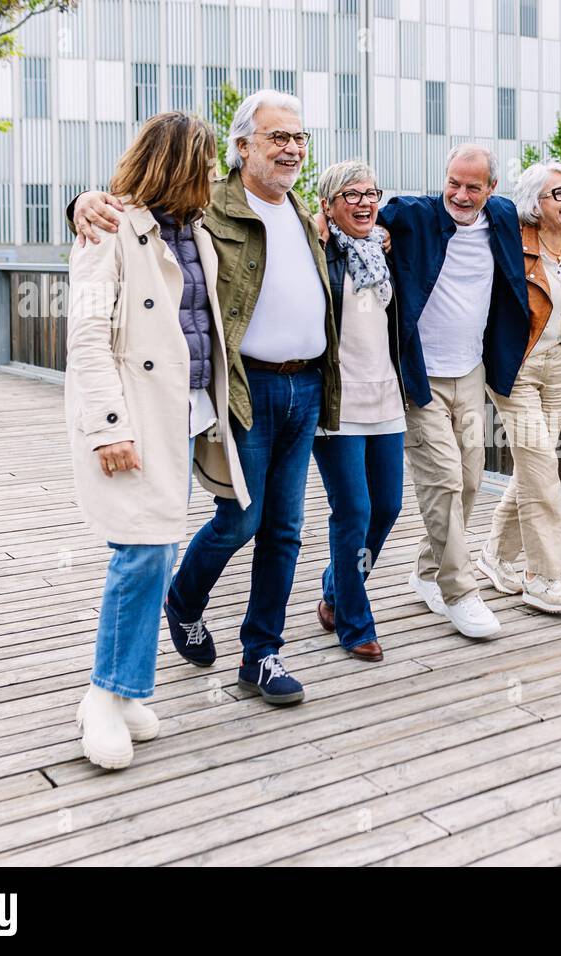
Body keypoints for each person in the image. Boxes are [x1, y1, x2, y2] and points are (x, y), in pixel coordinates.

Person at [70, 90, 340, 706]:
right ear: (241, 147)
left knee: (286, 527)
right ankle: (181, 603)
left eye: (300, 138)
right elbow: (134, 217)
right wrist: (81, 202)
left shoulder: (302, 211)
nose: (293, 149)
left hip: (301, 384)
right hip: (242, 387)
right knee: (235, 521)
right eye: (278, 138)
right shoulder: (208, 207)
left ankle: (262, 655)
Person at [67, 111, 252, 769]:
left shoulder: (193, 230)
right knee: (142, 555)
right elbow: (86, 336)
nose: (210, 176)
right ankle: (104, 696)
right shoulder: (108, 227)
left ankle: (122, 692)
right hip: (135, 417)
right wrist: (108, 428)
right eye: (201, 164)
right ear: (176, 164)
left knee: (158, 549)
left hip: (188, 412)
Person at [371, 145, 531, 639]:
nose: (460, 196)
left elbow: (547, 206)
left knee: (469, 481)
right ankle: (461, 591)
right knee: (441, 483)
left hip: (470, 372)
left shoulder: (501, 217)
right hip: (421, 375)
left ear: (492, 190)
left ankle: (427, 571)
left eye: (473, 187)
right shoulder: (415, 215)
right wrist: (375, 230)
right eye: (453, 184)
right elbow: (361, 212)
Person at [476, 162, 561, 614]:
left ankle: (495, 555)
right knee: (543, 467)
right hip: (518, 367)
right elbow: (493, 203)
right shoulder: (513, 237)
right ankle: (542, 577)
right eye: (557, 194)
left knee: (532, 467)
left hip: (559, 363)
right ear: (533, 203)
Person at [311, 160, 405, 662]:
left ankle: (334, 587)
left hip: (385, 396)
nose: (365, 202)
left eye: (371, 193)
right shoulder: (316, 253)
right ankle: (354, 619)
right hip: (337, 403)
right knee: (353, 512)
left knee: (386, 507)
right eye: (351, 195)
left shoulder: (383, 250)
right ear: (327, 205)